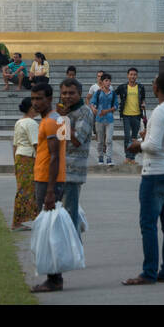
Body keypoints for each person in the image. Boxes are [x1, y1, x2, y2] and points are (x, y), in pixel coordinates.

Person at [123, 70, 164, 285]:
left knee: (148, 224)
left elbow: (153, 146)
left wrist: (137, 145)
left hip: (155, 171)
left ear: (156, 88)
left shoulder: (160, 111)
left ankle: (149, 271)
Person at [30, 81, 69, 292]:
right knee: (49, 230)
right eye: (33, 98)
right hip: (55, 178)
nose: (35, 103)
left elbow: (55, 156)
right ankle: (54, 277)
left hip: (48, 181)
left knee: (48, 232)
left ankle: (54, 279)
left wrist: (51, 191)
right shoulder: (60, 119)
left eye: (39, 99)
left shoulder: (50, 122)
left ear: (49, 98)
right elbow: (66, 148)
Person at [58, 77, 94, 234]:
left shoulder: (84, 112)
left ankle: (75, 256)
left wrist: (64, 119)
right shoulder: (66, 112)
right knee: (63, 219)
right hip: (61, 171)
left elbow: (77, 140)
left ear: (79, 93)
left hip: (73, 173)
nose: (66, 96)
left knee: (70, 220)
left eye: (71, 93)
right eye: (64, 93)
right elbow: (60, 140)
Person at [11, 97, 39, 231]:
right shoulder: (31, 123)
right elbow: (36, 145)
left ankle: (20, 221)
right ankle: (17, 222)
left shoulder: (19, 122)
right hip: (28, 158)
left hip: (20, 157)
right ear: (31, 108)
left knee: (24, 189)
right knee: (27, 190)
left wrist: (15, 163)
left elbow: (15, 145)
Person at [116, 67, 147, 164]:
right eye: (131, 74)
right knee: (127, 137)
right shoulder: (123, 87)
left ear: (136, 76)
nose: (132, 76)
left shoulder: (141, 87)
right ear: (127, 75)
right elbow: (113, 94)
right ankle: (127, 157)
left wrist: (143, 104)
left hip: (137, 115)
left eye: (134, 75)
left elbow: (143, 99)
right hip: (126, 115)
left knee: (134, 138)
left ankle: (132, 158)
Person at [92, 72, 117, 165]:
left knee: (109, 140)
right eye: (106, 80)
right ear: (102, 82)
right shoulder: (98, 92)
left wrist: (107, 111)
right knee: (100, 140)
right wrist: (93, 108)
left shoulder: (113, 93)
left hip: (110, 119)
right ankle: (100, 157)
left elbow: (115, 106)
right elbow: (92, 102)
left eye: (109, 81)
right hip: (99, 119)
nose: (108, 82)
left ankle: (109, 158)